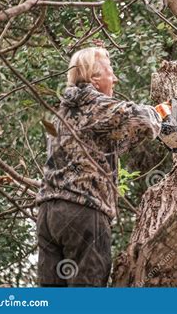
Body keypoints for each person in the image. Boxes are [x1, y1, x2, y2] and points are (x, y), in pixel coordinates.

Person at [35, 47, 170, 287]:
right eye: (110, 72)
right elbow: (138, 116)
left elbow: (111, 143)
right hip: (84, 210)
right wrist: (161, 112)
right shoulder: (95, 104)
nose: (115, 78)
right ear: (94, 79)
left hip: (48, 215)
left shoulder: (64, 111)